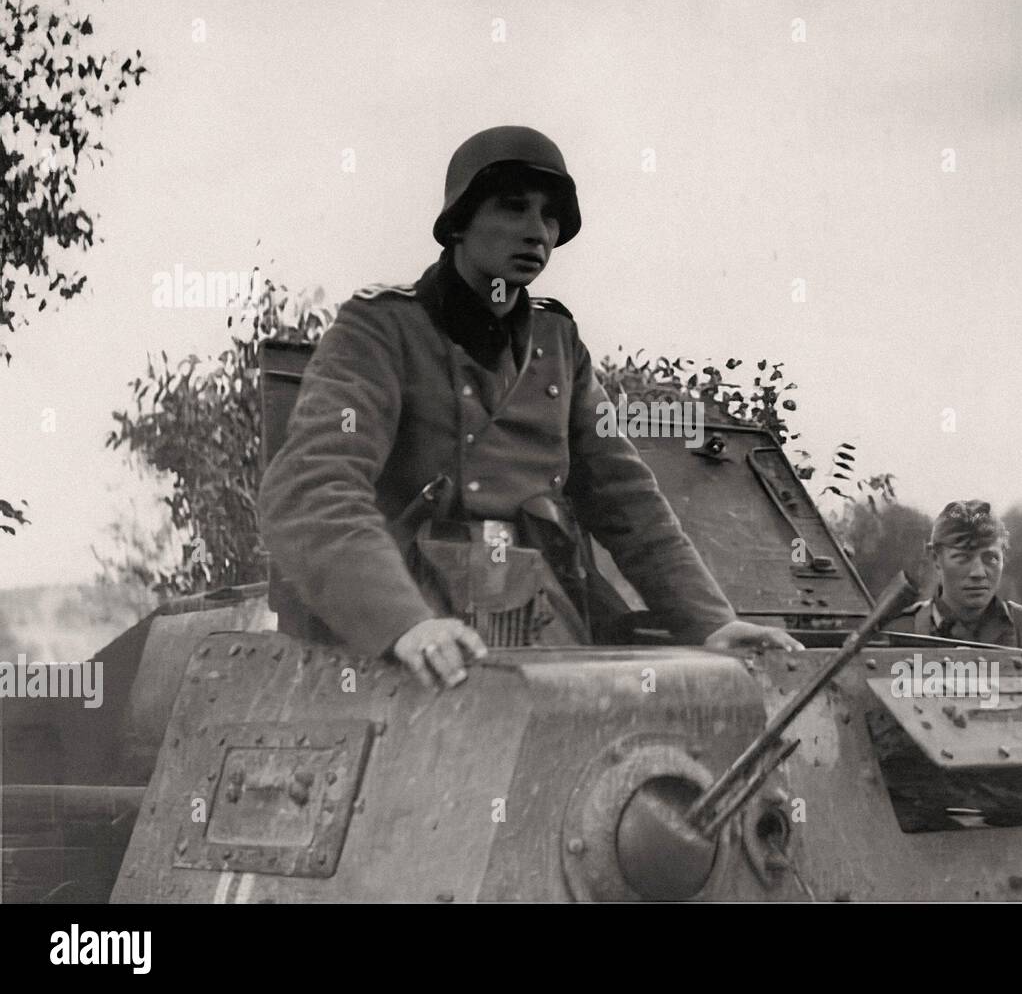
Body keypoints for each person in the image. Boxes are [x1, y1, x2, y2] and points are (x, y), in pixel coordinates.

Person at [258, 125, 799, 688]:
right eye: (514, 208)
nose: (536, 232)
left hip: (543, 618)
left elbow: (626, 498)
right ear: (459, 222)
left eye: (549, 216)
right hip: (413, 628)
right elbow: (312, 489)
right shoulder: (381, 328)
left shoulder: (557, 340)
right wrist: (404, 625)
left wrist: (709, 621)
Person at [879, 499, 1022, 670]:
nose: (978, 573)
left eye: (990, 558)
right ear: (936, 559)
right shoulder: (899, 632)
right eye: (963, 557)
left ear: (1003, 558)